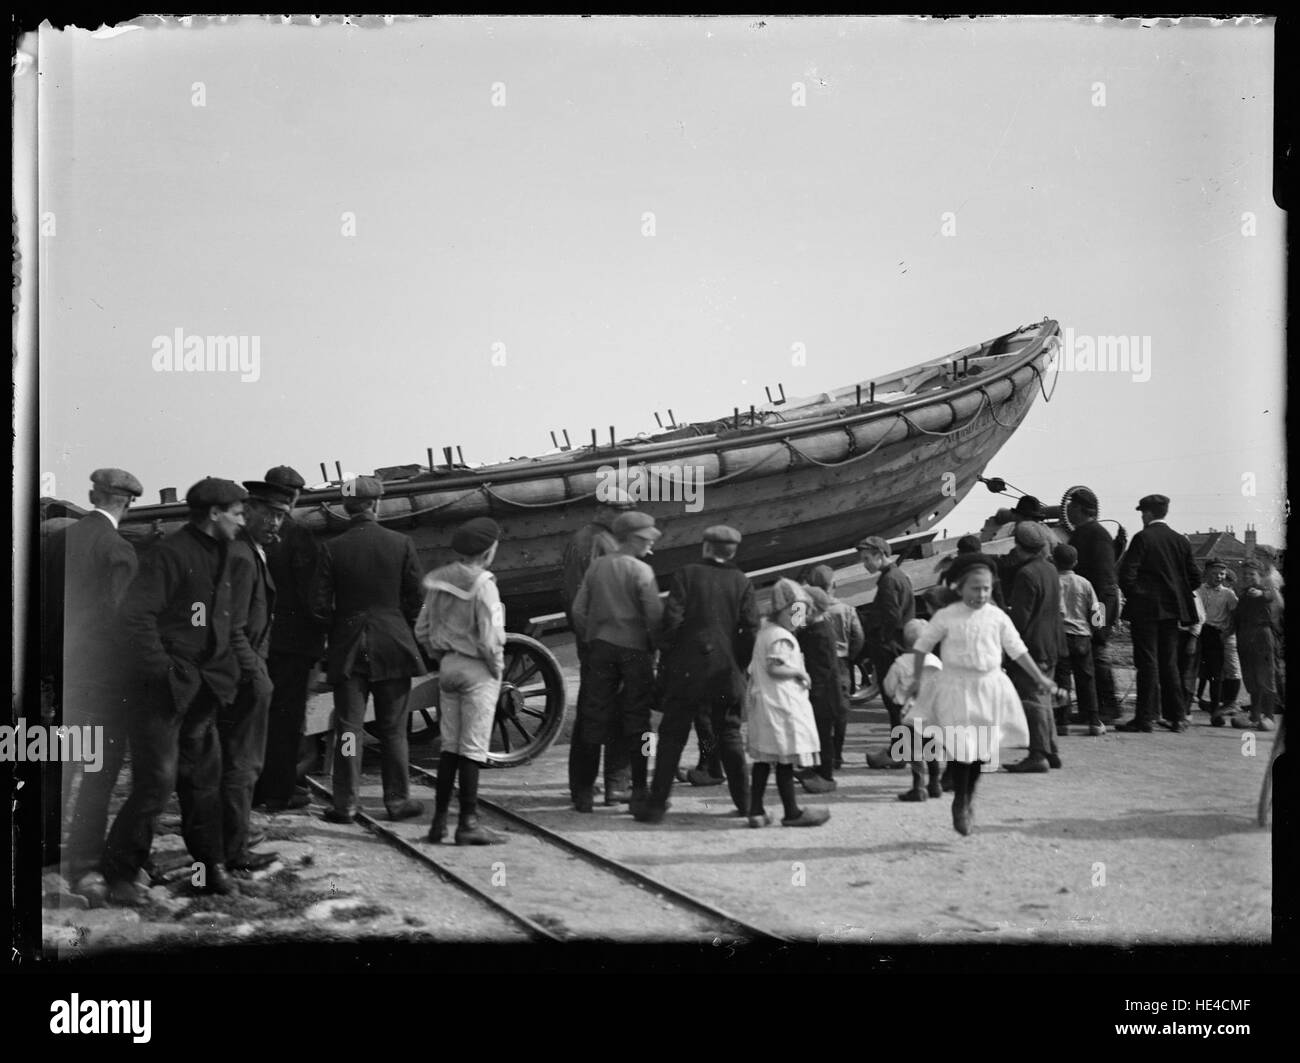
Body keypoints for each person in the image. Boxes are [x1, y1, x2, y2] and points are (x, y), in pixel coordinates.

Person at [102, 478, 248, 904]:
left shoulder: (220, 552)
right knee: (157, 783)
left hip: (203, 689)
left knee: (204, 783)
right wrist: (163, 671)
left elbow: (212, 621)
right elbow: (133, 618)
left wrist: (226, 669)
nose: (242, 520)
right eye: (237, 513)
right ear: (214, 514)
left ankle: (208, 871)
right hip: (163, 692)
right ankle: (120, 874)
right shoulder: (170, 553)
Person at [907, 563, 1061, 835]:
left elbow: (1017, 649)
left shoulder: (997, 617)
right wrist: (917, 679)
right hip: (955, 687)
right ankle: (958, 800)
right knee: (959, 746)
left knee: (980, 749)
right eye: (975, 588)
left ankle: (968, 796)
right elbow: (922, 646)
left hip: (989, 688)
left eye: (986, 589)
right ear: (960, 588)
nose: (981, 594)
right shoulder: (947, 616)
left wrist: (1039, 677)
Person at [51, 469, 144, 905]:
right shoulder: (119, 550)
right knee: (97, 776)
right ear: (128, 504)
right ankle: (85, 866)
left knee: (59, 767)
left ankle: (46, 859)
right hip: (103, 682)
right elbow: (120, 625)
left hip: (60, 674)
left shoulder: (58, 540)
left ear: (93, 495)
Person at [313, 476, 427, 823]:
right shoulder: (401, 543)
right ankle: (397, 801)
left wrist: (342, 625)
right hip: (393, 644)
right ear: (376, 505)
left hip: (348, 647)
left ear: (347, 509)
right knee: (394, 728)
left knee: (349, 727)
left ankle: (345, 804)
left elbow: (318, 607)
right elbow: (417, 598)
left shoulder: (332, 548)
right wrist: (399, 623)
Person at [637, 525, 758, 823]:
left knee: (672, 737)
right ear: (733, 551)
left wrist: (673, 654)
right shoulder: (742, 582)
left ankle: (655, 806)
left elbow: (672, 620)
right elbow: (751, 630)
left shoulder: (686, 574)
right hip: (725, 673)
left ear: (705, 547)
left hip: (687, 673)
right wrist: (737, 663)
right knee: (729, 735)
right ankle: (746, 805)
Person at [416, 517, 508, 844]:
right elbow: (490, 636)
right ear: (489, 550)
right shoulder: (485, 584)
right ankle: (468, 824)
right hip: (477, 669)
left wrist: (442, 657)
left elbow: (422, 630)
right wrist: (496, 668)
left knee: (450, 747)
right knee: (472, 749)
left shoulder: (440, 582)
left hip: (449, 669)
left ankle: (438, 823)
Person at [220, 479, 294, 872]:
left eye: (282, 516)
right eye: (270, 514)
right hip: (242, 675)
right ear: (248, 511)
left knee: (239, 762)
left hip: (243, 671)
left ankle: (233, 837)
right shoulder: (243, 556)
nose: (276, 523)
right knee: (242, 764)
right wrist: (257, 674)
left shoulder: (251, 551)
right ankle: (234, 850)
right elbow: (232, 627)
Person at [571, 511, 664, 814]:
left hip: (600, 649)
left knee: (592, 718)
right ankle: (631, 789)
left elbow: (578, 610)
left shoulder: (597, 567)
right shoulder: (642, 572)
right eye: (647, 540)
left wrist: (592, 637)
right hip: (635, 653)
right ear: (634, 539)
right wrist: (654, 647)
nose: (651, 546)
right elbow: (654, 616)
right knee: (638, 722)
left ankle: (583, 795)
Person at [254, 465, 324, 812]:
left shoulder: (253, 535)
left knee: (259, 716)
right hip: (294, 644)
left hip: (261, 641)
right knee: (288, 719)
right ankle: (281, 791)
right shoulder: (299, 536)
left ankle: (257, 787)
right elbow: (313, 595)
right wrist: (321, 633)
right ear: (294, 496)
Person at [562, 489, 636, 802]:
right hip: (605, 643)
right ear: (602, 509)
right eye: (621, 509)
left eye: (630, 509)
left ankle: (591, 785)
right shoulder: (593, 542)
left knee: (602, 713)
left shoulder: (597, 539)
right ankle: (611, 784)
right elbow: (578, 602)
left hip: (605, 642)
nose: (626, 515)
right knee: (609, 713)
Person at [744, 579, 830, 828]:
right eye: (795, 612)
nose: (798, 618)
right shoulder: (781, 636)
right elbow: (775, 667)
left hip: (766, 705)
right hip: (780, 706)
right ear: (782, 610)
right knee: (784, 763)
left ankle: (756, 810)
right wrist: (799, 673)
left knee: (763, 762)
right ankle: (791, 812)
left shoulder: (765, 632)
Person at [1117, 494, 1201, 733]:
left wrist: (1140, 596)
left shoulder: (1143, 538)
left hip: (1146, 611)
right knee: (1170, 664)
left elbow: (1126, 575)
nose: (1142, 516)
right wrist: (1174, 593)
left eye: (1143, 512)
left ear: (1148, 513)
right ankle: (1177, 718)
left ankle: (1144, 719)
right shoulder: (1181, 541)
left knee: (1147, 663)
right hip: (1173, 612)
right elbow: (1194, 578)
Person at [1003, 521, 1067, 772]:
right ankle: (1051, 750)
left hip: (1032, 646)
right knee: (1043, 697)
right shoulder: (1050, 569)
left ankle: (1038, 754)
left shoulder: (1026, 574)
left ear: (1020, 547)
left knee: (1032, 700)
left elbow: (1021, 617)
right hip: (1051, 643)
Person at [856, 535, 915, 770]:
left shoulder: (889, 580)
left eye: (868, 558)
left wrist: (879, 641)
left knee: (894, 704)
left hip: (890, 650)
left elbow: (891, 617)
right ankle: (901, 750)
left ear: (881, 555)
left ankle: (898, 753)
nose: (865, 564)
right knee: (899, 704)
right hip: (899, 647)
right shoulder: (899, 575)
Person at [1065, 488, 1123, 721]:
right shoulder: (1091, 532)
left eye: (1071, 506)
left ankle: (1106, 709)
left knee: (1097, 651)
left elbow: (1101, 579)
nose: (1067, 510)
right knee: (1092, 655)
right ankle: (1096, 709)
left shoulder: (1092, 534)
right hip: (1097, 602)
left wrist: (1097, 619)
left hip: (1098, 603)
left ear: (1079, 509)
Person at [805, 565, 864, 768]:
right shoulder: (848, 610)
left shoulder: (803, 610)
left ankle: (818, 755)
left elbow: (793, 632)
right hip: (841, 664)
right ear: (834, 585)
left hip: (813, 663)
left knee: (814, 710)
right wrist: (850, 657)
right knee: (840, 710)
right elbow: (858, 638)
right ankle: (837, 754)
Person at [883, 619, 944, 802]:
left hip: (910, 712)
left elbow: (888, 687)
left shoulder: (900, 663)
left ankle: (918, 787)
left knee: (914, 750)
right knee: (930, 747)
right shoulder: (936, 661)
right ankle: (935, 783)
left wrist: (897, 696)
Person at [1052, 543, 1104, 736]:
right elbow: (1097, 611)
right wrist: (1097, 629)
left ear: (1054, 561)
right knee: (1087, 679)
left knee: (1062, 680)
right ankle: (1093, 721)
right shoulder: (1085, 583)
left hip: (1060, 636)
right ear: (1075, 562)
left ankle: (1063, 722)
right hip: (1082, 636)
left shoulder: (1052, 581)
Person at [796, 587, 843, 794]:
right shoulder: (813, 628)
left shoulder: (822, 632)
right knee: (815, 737)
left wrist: (810, 692)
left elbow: (823, 670)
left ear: (812, 607)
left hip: (824, 696)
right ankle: (814, 770)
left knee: (823, 738)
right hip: (819, 693)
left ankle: (826, 776)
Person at [1231, 561, 1282, 732]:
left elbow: (1270, 597)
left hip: (1262, 636)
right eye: (1245, 574)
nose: (1247, 577)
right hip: (1244, 637)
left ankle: (1269, 716)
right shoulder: (1243, 594)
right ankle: (1254, 716)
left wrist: (1261, 593)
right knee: (1251, 678)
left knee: (1266, 677)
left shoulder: (1266, 591)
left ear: (1260, 576)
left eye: (1252, 574)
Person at [1196, 561, 1239, 726]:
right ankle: (1188, 707)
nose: (1218, 577)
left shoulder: (1228, 594)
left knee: (1217, 675)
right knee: (1199, 671)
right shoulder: (1198, 591)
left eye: (1221, 573)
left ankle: (1216, 712)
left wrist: (1229, 631)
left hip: (1217, 635)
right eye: (1214, 573)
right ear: (1207, 573)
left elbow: (1236, 616)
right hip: (1200, 634)